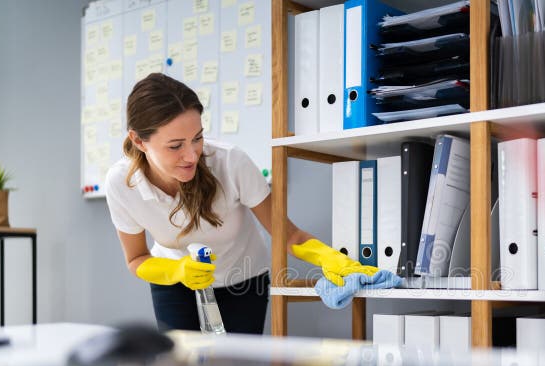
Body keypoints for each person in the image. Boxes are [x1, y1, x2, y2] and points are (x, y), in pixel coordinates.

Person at [105, 73, 378, 334]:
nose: (191, 155)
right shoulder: (121, 184)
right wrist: (177, 270)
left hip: (243, 276)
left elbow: (288, 234)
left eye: (197, 138)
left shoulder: (230, 162)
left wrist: (329, 258)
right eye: (175, 146)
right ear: (139, 140)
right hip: (176, 279)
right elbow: (137, 258)